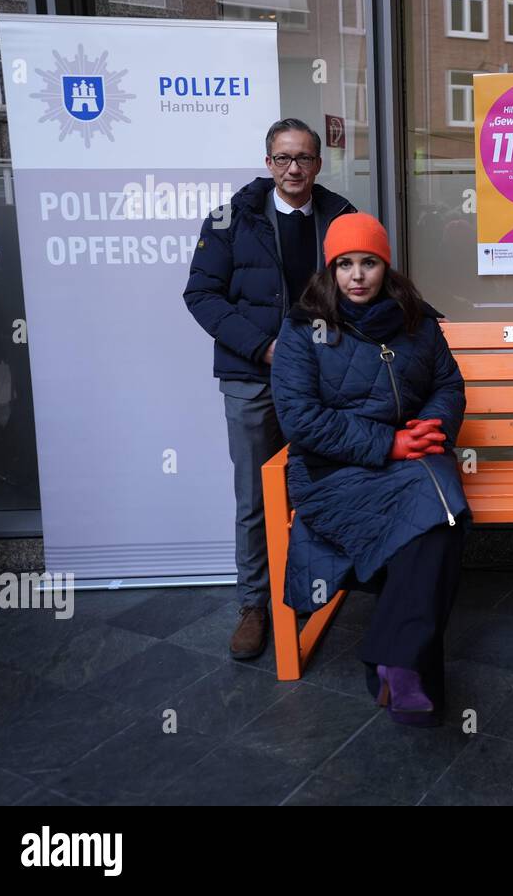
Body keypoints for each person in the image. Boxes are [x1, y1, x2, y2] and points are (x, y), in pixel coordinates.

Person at [271, 213, 468, 726]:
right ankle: (405, 666)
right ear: (331, 269)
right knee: (435, 517)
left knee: (442, 518)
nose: (357, 276)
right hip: (334, 473)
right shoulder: (302, 329)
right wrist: (389, 443)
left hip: (415, 459)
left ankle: (394, 661)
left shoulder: (416, 321)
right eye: (345, 264)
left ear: (386, 267)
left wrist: (430, 426)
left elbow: (448, 386)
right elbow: (300, 419)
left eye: (369, 263)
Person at [184, 118, 355, 659]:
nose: (293, 169)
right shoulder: (229, 218)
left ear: (318, 164)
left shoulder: (342, 216)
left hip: (325, 381)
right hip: (252, 377)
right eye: (282, 159)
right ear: (267, 164)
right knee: (256, 497)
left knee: (326, 482)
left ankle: (316, 590)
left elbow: (365, 288)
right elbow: (202, 295)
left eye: (303, 158)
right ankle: (255, 605)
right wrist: (266, 348)